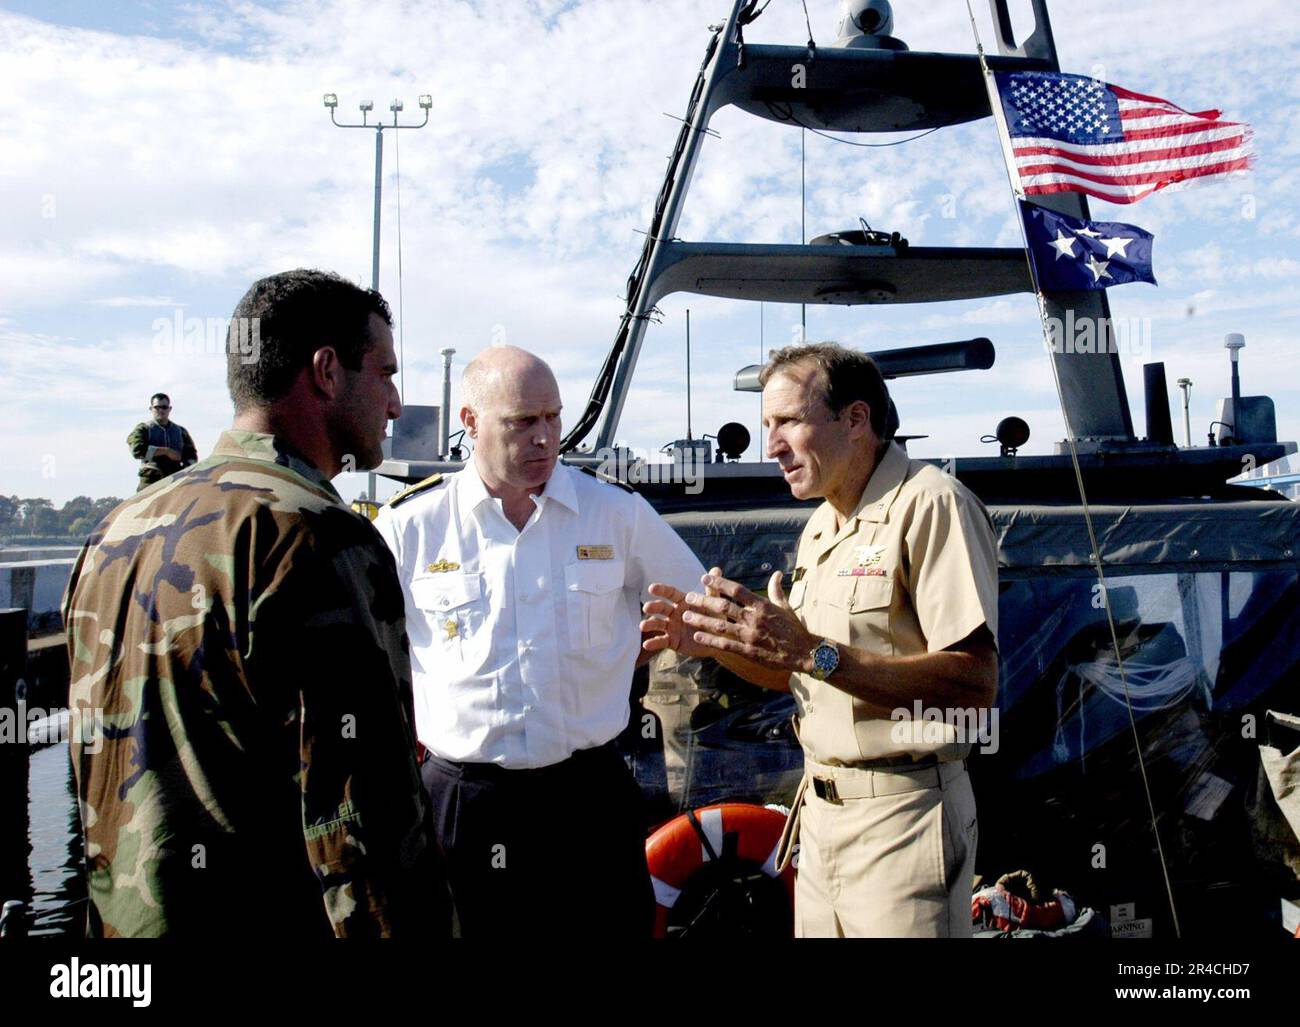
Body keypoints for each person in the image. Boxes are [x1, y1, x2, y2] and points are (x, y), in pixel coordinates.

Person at [64, 269, 445, 938]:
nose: (394, 402)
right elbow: (366, 820)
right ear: (327, 371)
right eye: (385, 373)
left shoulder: (113, 532)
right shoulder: (317, 536)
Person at [642, 342, 999, 937]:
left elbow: (973, 684)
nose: (772, 445)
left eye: (788, 422)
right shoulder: (820, 527)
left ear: (856, 420)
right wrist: (716, 645)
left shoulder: (932, 504)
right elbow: (798, 674)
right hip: (819, 822)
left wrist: (810, 650)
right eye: (767, 426)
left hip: (903, 819)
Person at [373, 345, 705, 938]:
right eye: (523, 422)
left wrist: (678, 634)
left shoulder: (616, 515)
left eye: (553, 417)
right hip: (464, 806)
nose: (544, 437)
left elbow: (701, 606)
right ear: (470, 422)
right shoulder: (409, 528)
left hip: (588, 802)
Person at [127, 392, 199, 490]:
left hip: (176, 480)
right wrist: (166, 451)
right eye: (157, 407)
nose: (161, 410)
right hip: (151, 481)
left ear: (169, 409)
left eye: (164, 407)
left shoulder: (180, 431)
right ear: (151, 409)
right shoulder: (143, 429)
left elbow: (191, 457)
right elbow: (137, 451)